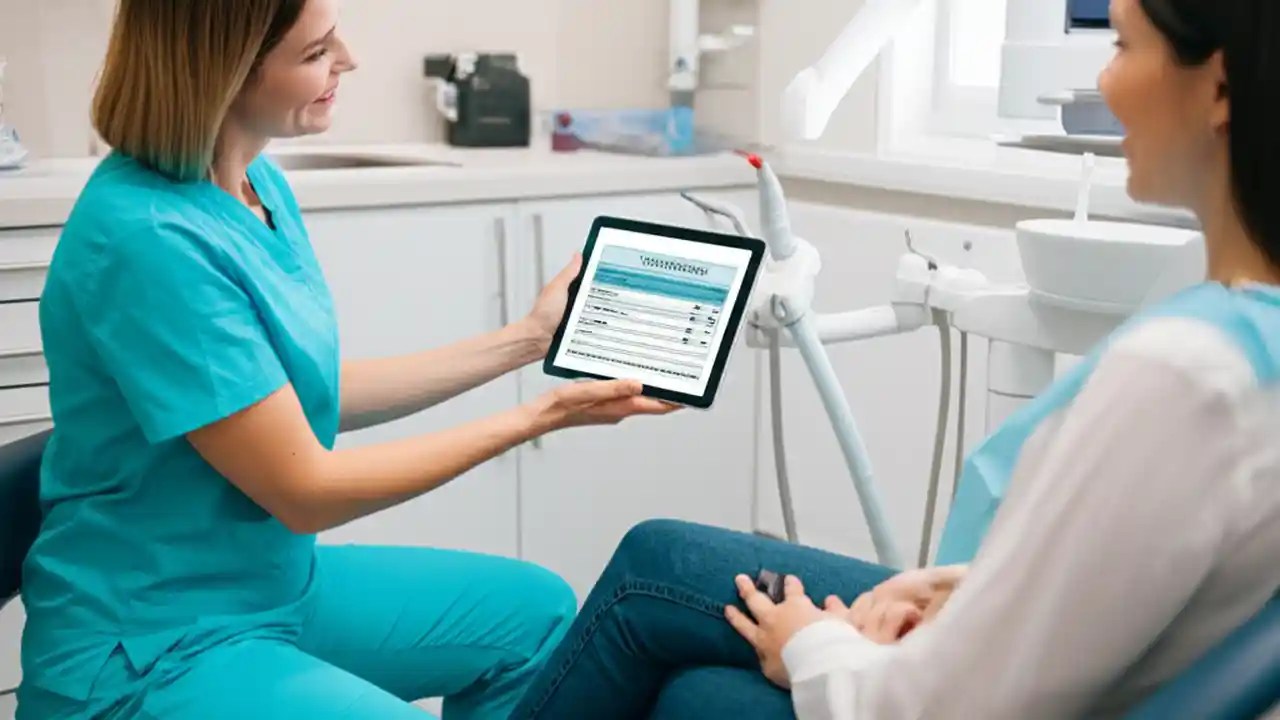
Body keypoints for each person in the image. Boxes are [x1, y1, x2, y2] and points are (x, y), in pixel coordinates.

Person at [509, 0, 1280, 717]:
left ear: (1217, 87)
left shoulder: (1183, 374)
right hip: (1059, 658)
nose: (1104, 82)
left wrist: (814, 644)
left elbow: (951, 703)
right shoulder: (1243, 343)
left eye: (1121, 46)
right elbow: (1132, 581)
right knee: (686, 650)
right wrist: (956, 588)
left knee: (678, 635)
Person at [16, 1, 676, 718]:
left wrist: (528, 340)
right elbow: (306, 489)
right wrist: (538, 415)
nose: (349, 61)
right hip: (150, 643)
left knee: (535, 615)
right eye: (315, 53)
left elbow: (303, 392)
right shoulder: (148, 239)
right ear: (226, 73)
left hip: (269, 587)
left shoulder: (253, 187)